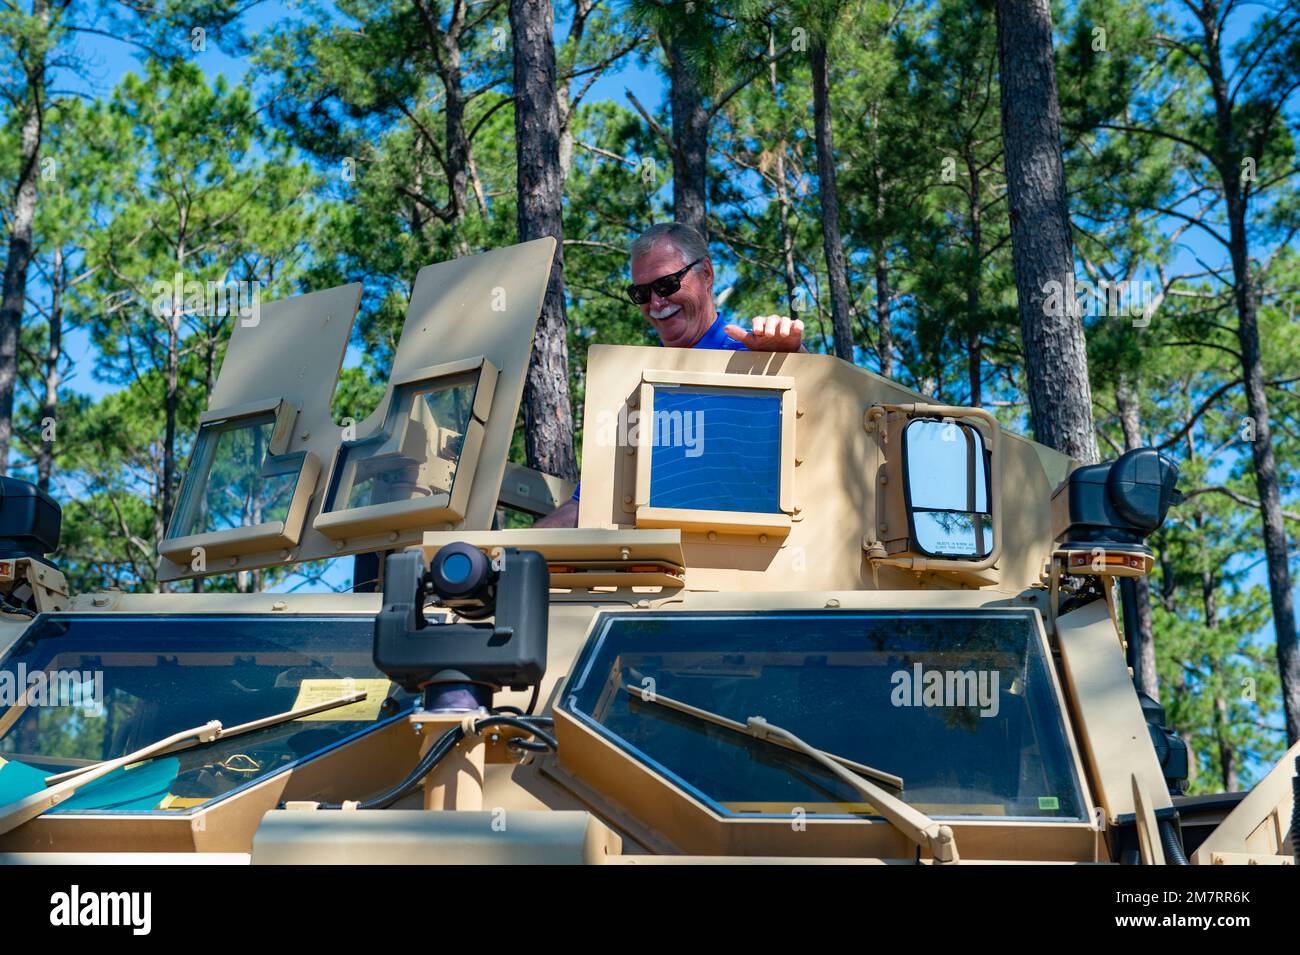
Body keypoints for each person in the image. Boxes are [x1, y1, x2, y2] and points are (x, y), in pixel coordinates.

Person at [535, 222, 804, 528]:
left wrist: (796, 359)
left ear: (706, 274)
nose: (656, 303)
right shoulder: (633, 393)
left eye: (666, 285)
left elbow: (822, 432)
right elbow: (587, 506)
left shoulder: (757, 359)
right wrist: (506, 554)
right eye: (642, 293)